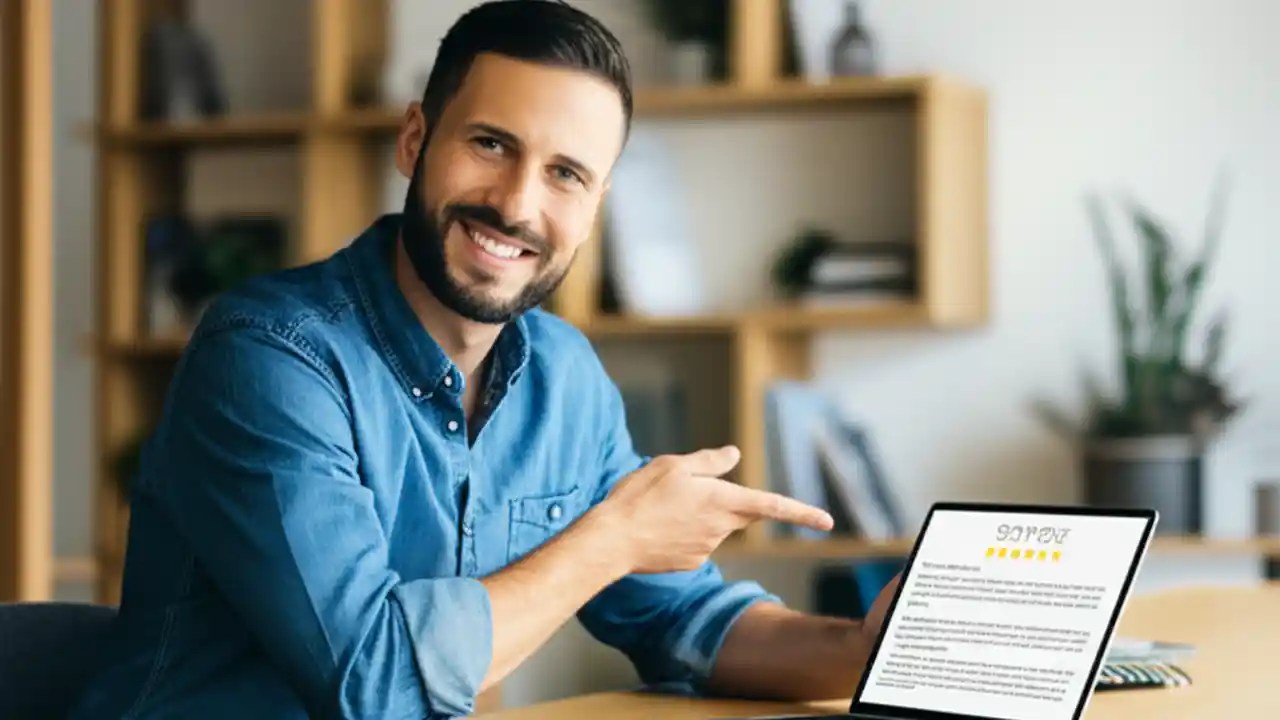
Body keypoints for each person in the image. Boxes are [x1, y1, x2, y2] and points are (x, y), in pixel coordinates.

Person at [71, 2, 897, 718]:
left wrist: (867, 649)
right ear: (414, 139)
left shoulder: (564, 377)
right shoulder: (271, 356)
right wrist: (614, 538)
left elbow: (686, 622)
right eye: (492, 144)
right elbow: (375, 686)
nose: (516, 203)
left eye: (566, 173)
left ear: (596, 204)